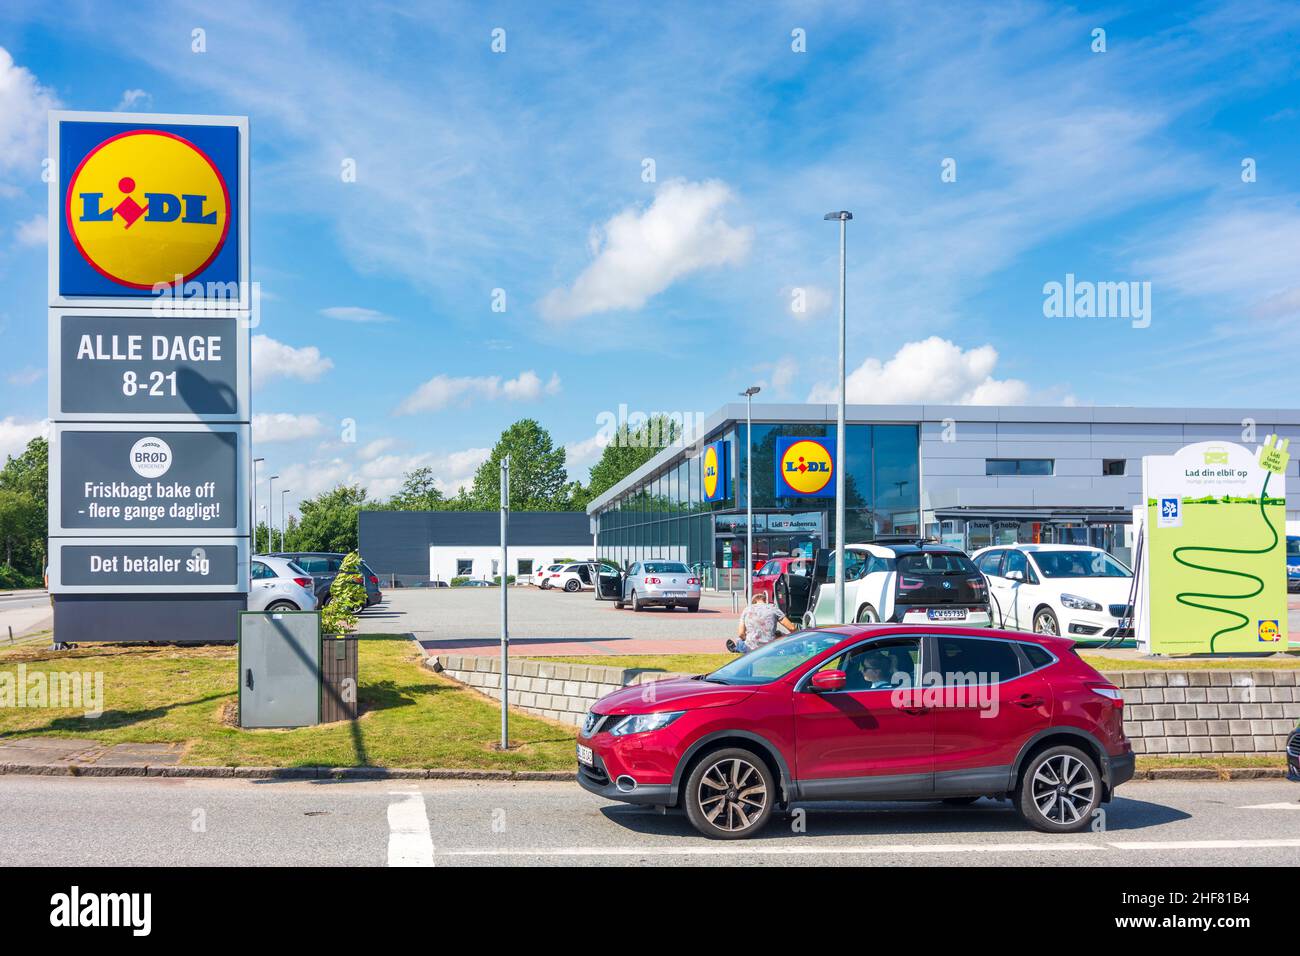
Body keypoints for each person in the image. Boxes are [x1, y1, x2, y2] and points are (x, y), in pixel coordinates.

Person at [727, 592, 799, 653]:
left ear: (753, 602)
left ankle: (736, 648)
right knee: (779, 633)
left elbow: (741, 633)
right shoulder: (773, 608)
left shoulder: (747, 610)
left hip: (751, 647)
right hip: (770, 646)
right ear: (765, 601)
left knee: (739, 641)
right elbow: (792, 628)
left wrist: (746, 638)